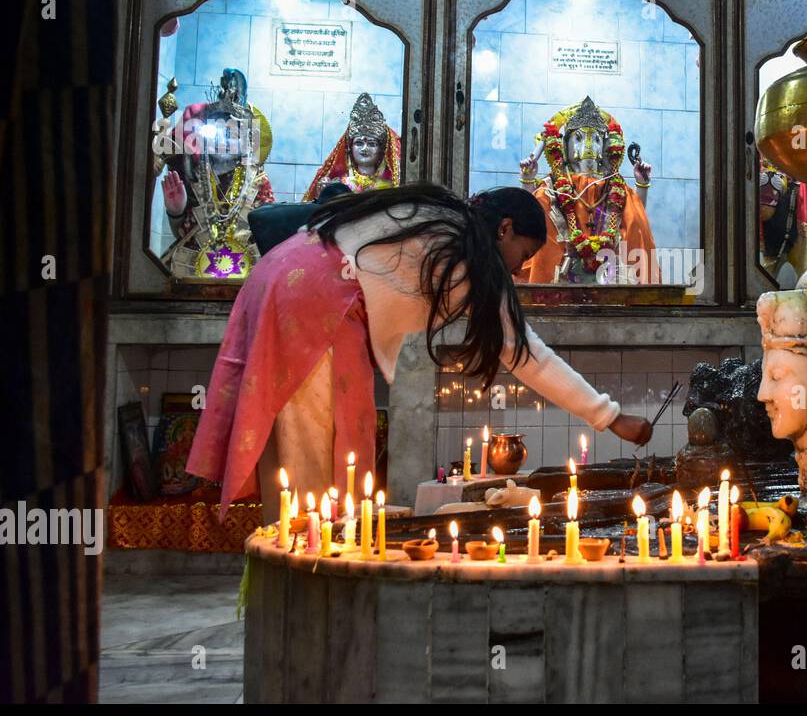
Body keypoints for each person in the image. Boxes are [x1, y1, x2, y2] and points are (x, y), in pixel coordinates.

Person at [187, 183, 653, 517]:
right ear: (505, 229)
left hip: (284, 274)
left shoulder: (445, 222)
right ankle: (309, 580)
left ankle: (298, 571)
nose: (520, 270)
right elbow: (527, 356)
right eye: (524, 256)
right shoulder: (464, 250)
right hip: (314, 301)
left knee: (302, 453)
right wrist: (610, 417)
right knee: (316, 464)